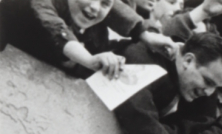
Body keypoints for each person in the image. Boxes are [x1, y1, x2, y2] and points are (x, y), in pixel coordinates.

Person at [2, 0, 175, 79]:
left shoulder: (96, 32)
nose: (94, 7)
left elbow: (116, 8)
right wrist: (88, 60)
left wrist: (146, 36)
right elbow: (52, 25)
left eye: (104, 4)